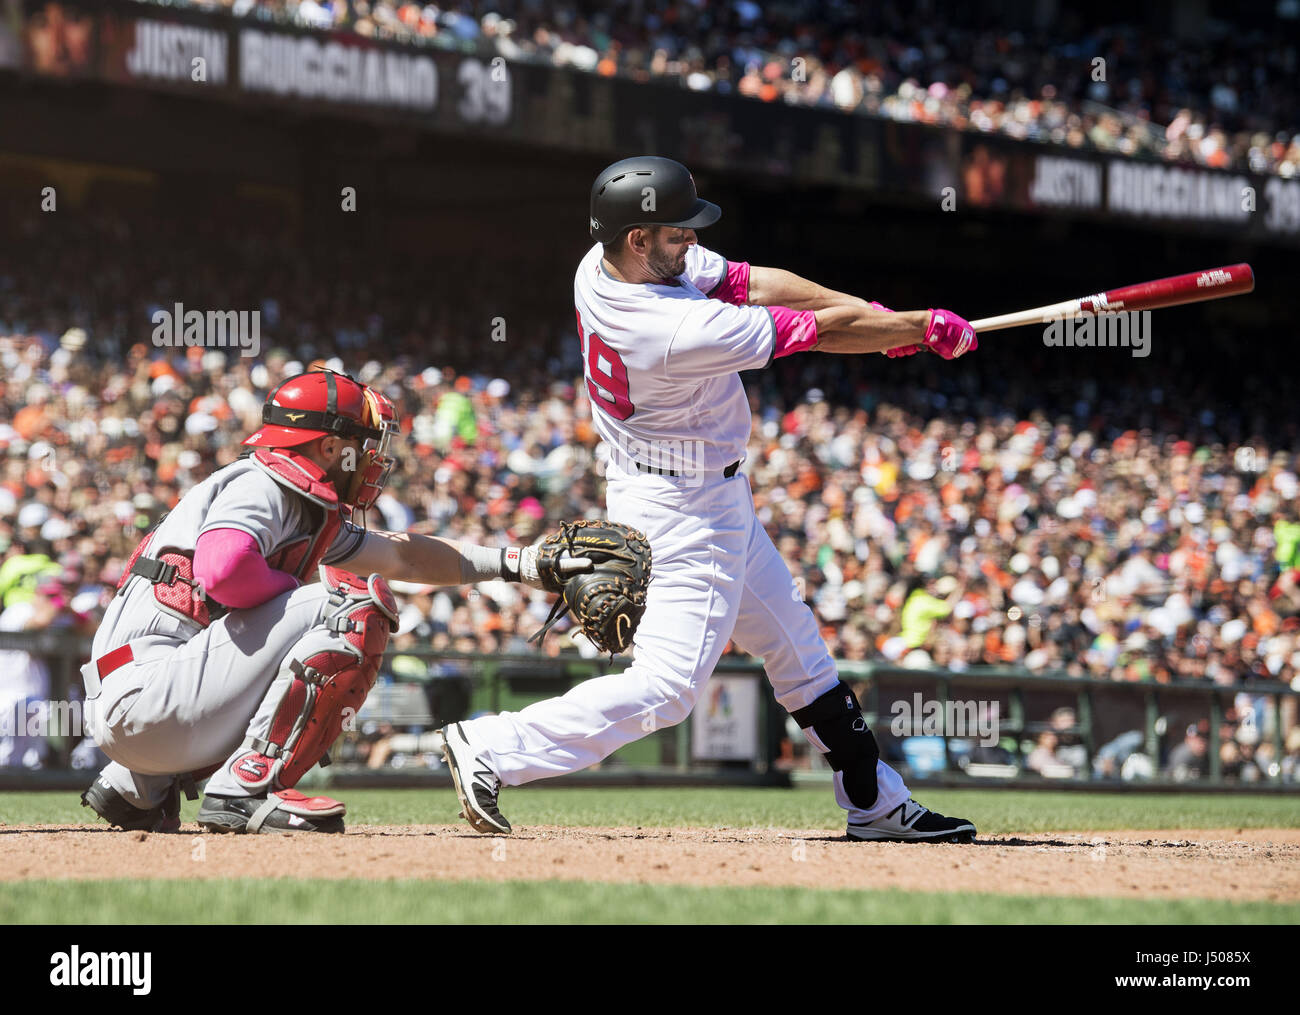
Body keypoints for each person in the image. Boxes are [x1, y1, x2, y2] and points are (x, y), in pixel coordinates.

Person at [440, 156, 979, 842]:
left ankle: (874, 800)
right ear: (639, 238)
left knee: (795, 646)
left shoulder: (601, 263)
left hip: (684, 485)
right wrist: (911, 329)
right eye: (677, 231)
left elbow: (752, 282)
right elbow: (814, 331)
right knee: (666, 689)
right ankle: (493, 746)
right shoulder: (672, 328)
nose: (691, 240)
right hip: (684, 504)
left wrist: (877, 314)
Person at [80, 368, 577, 833]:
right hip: (146, 696)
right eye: (361, 444)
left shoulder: (298, 502)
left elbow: (403, 558)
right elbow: (225, 570)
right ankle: (246, 788)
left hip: (142, 704)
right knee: (352, 601)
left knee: (333, 598)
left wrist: (518, 564)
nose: (370, 456)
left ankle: (138, 786)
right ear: (330, 447)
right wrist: (295, 601)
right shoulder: (263, 484)